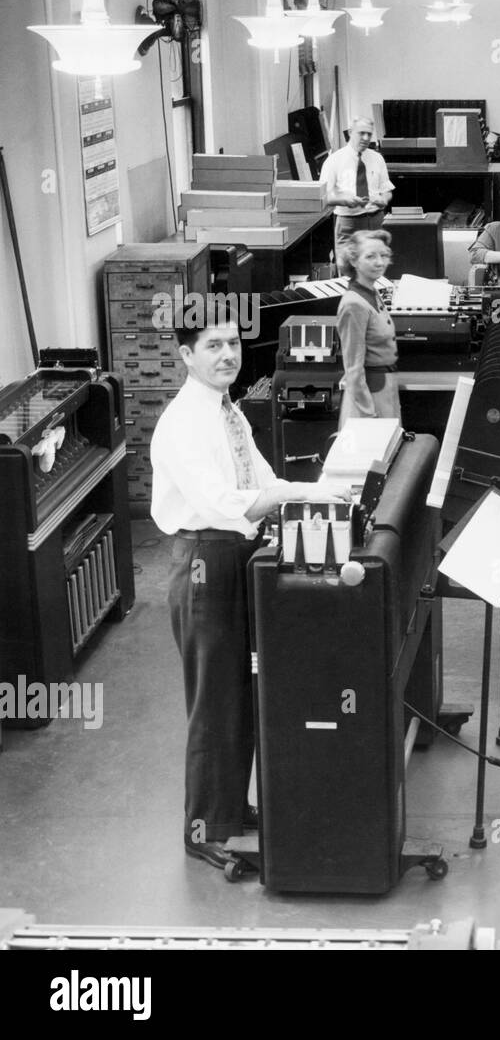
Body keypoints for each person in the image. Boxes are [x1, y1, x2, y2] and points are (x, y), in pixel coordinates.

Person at [151, 305, 348, 871]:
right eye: (212, 346)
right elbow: (224, 504)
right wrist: (296, 498)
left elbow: (260, 477)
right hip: (205, 559)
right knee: (214, 701)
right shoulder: (184, 422)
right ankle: (203, 828)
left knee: (243, 690)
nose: (227, 355)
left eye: (233, 344)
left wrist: (317, 490)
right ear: (186, 355)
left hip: (237, 553)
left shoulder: (228, 412)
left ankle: (233, 809)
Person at [336, 229, 400, 426]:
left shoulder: (371, 292)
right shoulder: (353, 304)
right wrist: (369, 417)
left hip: (384, 389)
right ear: (354, 261)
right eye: (370, 256)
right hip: (369, 400)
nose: (379, 262)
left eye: (384, 255)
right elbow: (353, 371)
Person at [320, 116, 394, 278]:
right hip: (349, 225)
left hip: (375, 222)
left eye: (369, 134)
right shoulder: (334, 161)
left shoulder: (377, 158)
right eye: (362, 133)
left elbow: (387, 190)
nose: (366, 138)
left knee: (376, 271)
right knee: (348, 272)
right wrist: (343, 200)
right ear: (351, 133)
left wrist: (384, 199)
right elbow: (324, 197)